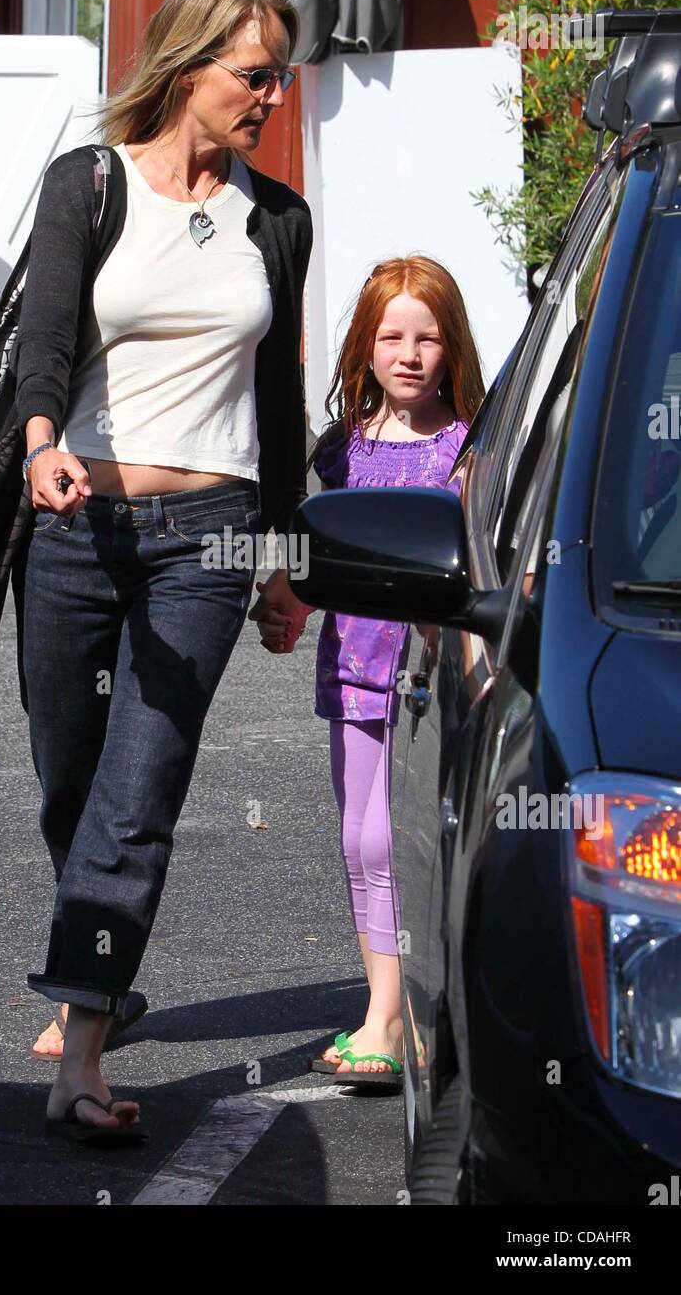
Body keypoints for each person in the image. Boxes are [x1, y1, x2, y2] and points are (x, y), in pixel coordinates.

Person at [14, 0, 313, 1139]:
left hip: (212, 537)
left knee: (139, 792)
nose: (271, 96)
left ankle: (80, 1045)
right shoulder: (86, 186)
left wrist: (283, 557)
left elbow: (280, 409)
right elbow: (43, 345)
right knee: (68, 776)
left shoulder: (274, 220)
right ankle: (102, 961)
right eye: (254, 74)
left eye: (281, 77)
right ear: (187, 67)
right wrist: (44, 444)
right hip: (79, 524)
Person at [250, 257, 484, 1078]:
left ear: (453, 349)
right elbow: (326, 550)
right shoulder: (342, 449)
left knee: (407, 837)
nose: (410, 354)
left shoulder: (467, 452)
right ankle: (383, 1008)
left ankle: (405, 1012)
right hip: (355, 666)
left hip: (428, 676)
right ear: (364, 346)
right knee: (361, 839)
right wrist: (289, 599)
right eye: (391, 336)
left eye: (429, 337)